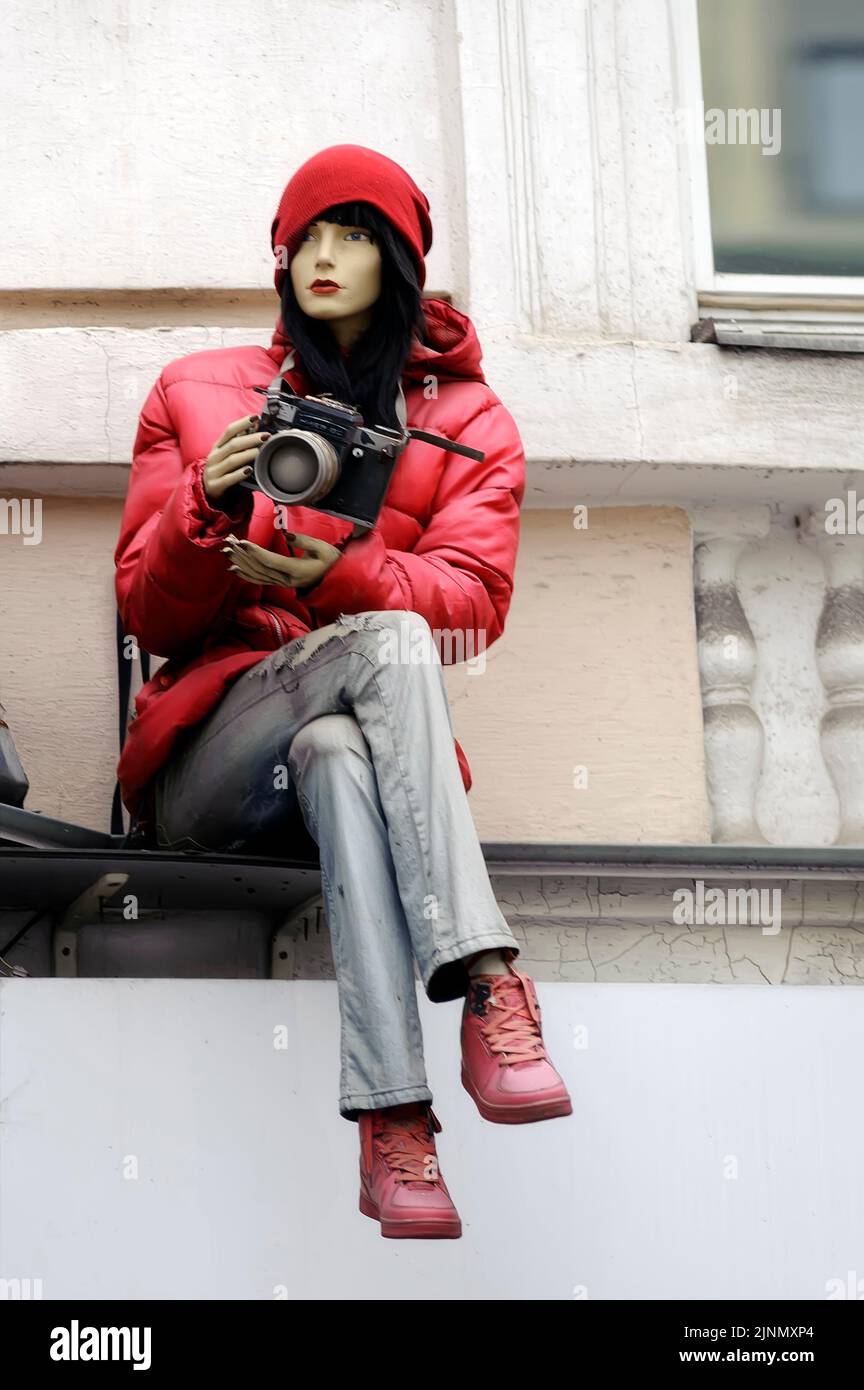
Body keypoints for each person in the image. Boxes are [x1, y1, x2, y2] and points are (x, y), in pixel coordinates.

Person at [114, 144, 572, 1240]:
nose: (324, 256)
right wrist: (203, 505)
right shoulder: (200, 391)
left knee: (342, 738)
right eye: (307, 236)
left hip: (354, 765)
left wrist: (345, 572)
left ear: (401, 261)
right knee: (378, 650)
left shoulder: (468, 421)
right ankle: (487, 974)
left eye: (355, 235)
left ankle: (392, 1123)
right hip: (214, 759)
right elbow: (149, 615)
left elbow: (472, 610)